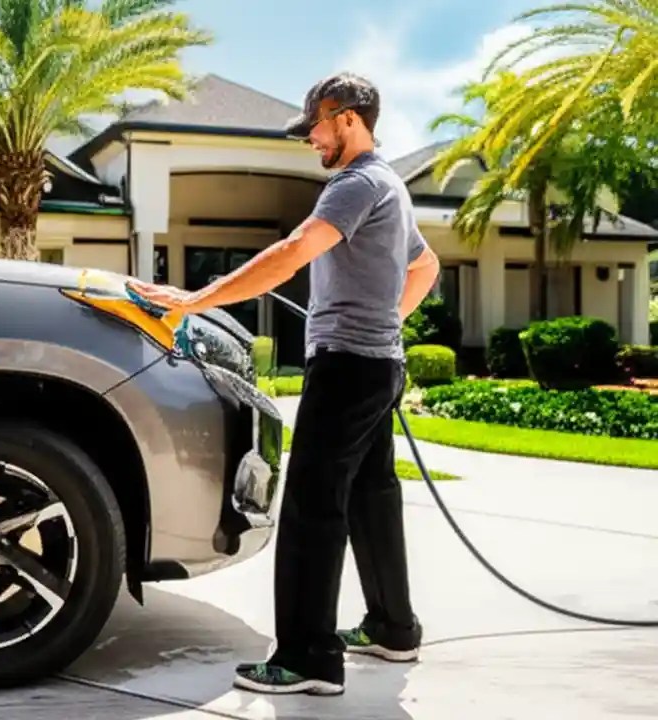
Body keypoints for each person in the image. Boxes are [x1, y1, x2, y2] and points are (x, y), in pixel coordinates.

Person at [126, 72, 441, 697]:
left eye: (317, 127)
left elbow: (294, 251)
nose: (310, 140)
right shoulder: (390, 185)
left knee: (311, 505)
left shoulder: (356, 185)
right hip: (377, 362)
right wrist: (384, 326)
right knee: (370, 496)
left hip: (349, 366)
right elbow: (425, 265)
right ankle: (392, 627)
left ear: (348, 118)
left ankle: (308, 658)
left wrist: (194, 299)